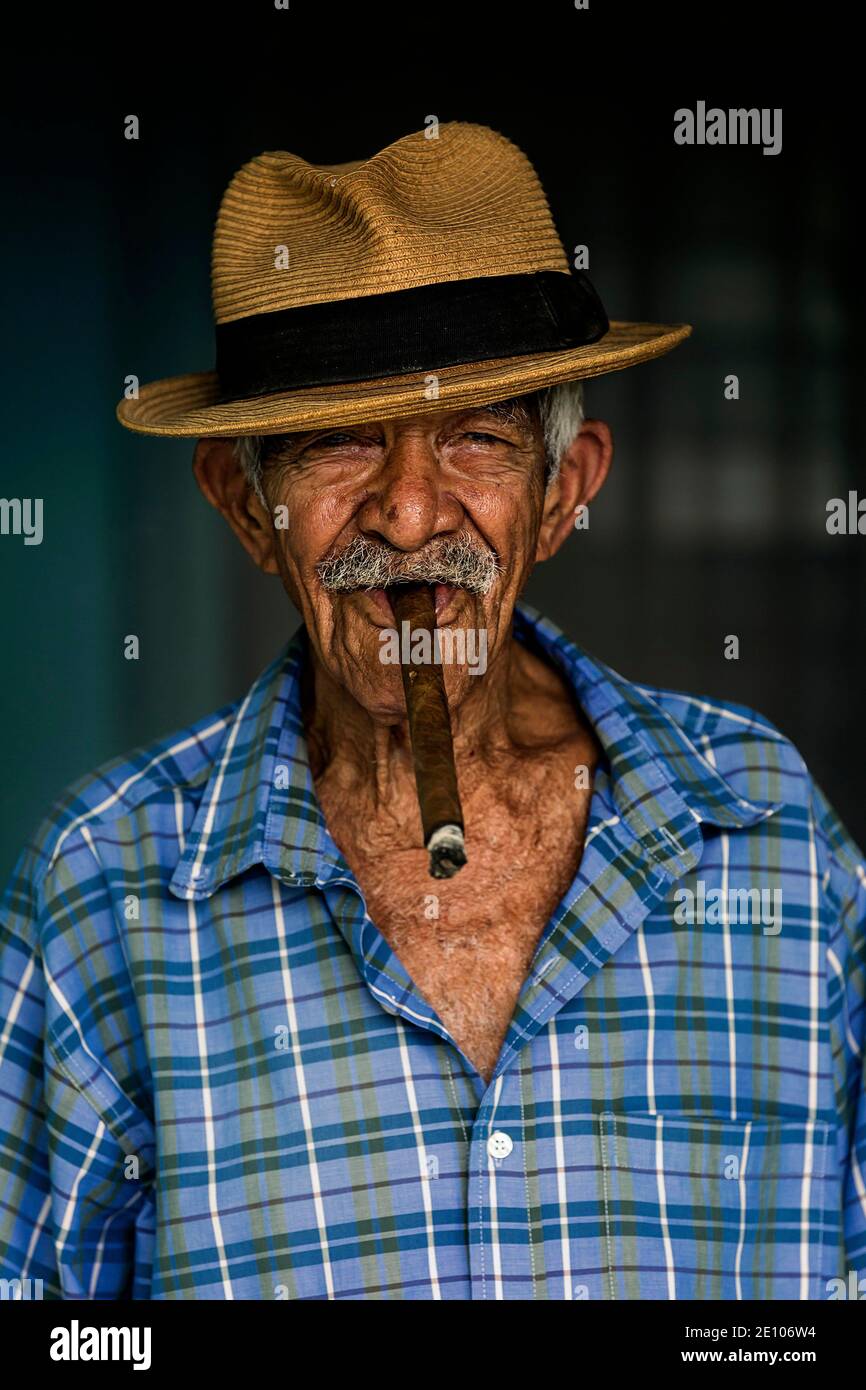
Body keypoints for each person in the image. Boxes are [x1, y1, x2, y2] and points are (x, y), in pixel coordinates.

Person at [1, 122, 863, 1301]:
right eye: (340, 440)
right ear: (249, 507)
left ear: (561, 493)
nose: (409, 517)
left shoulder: (764, 835)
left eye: (475, 438)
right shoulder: (106, 889)